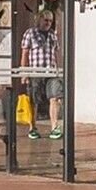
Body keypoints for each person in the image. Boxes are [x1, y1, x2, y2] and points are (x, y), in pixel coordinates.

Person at [20, 9, 63, 141]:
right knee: (34, 100)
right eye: (46, 20)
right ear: (39, 19)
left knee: (54, 97)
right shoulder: (30, 33)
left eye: (50, 21)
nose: (48, 23)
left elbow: (56, 53)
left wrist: (60, 70)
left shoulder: (52, 35)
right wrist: (24, 72)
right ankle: (32, 127)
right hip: (35, 71)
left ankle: (54, 126)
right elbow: (25, 53)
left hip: (51, 71)